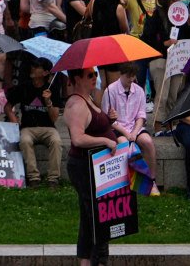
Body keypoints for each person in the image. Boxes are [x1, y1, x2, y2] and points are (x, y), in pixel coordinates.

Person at [63, 65, 120, 266]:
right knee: (98, 220)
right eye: (89, 75)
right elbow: (78, 138)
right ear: (77, 78)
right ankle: (99, 261)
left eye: (95, 74)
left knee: (90, 220)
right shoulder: (76, 104)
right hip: (84, 166)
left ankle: (86, 262)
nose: (94, 77)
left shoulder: (89, 99)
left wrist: (109, 121)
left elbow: (95, 127)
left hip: (96, 166)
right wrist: (106, 141)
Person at [13, 56, 63, 187]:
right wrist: (14, 121)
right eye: (33, 65)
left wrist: (48, 102)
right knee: (25, 141)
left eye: (37, 66)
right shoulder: (24, 86)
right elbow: (7, 106)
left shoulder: (52, 89)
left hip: (48, 127)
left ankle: (53, 178)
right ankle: (33, 177)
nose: (32, 68)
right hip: (28, 128)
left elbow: (54, 118)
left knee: (56, 141)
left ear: (45, 72)